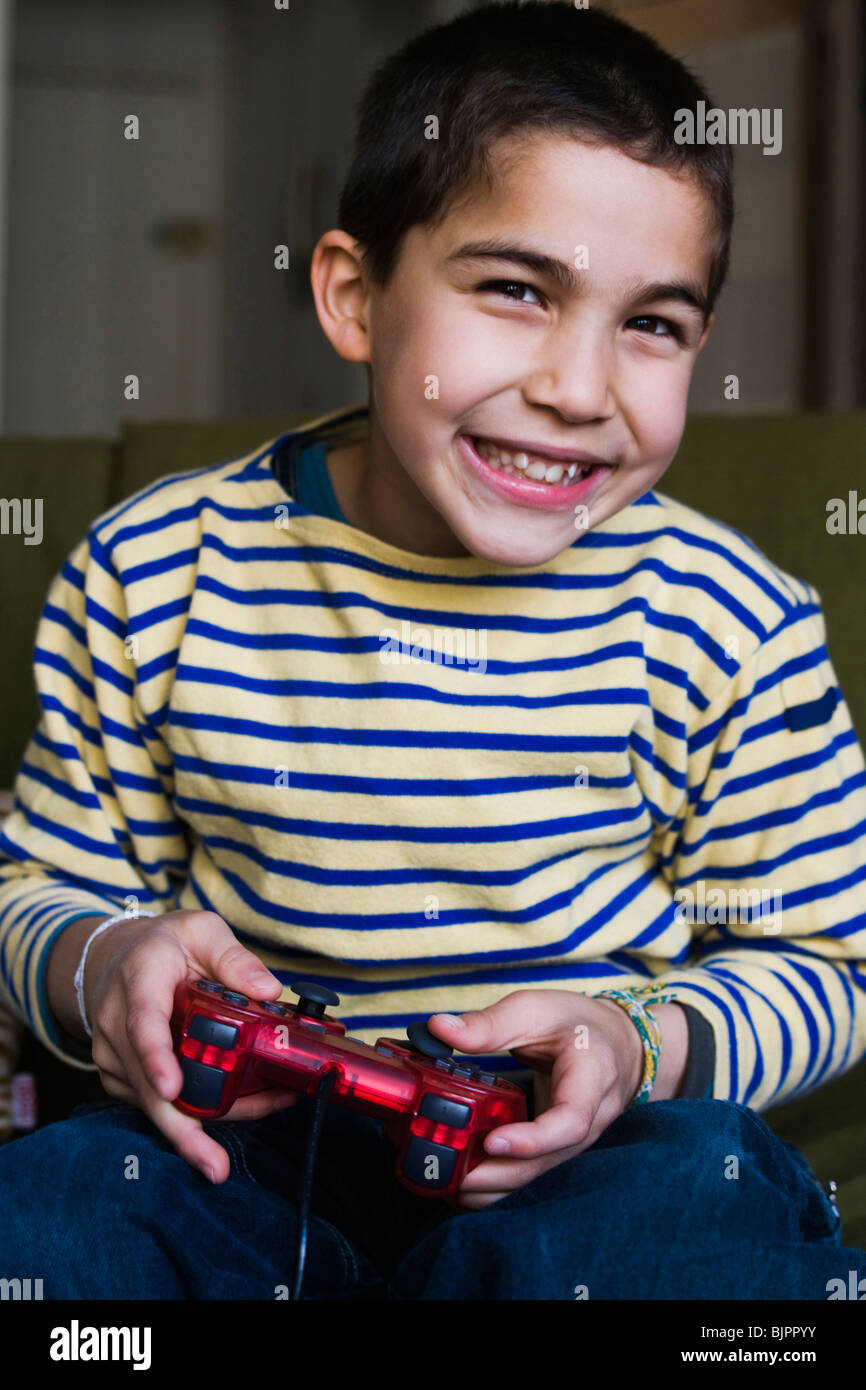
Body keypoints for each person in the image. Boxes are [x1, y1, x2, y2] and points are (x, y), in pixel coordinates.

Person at [0, 2, 863, 1300]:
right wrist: (103, 960)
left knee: (687, 1200)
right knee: (56, 1207)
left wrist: (636, 1044)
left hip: (577, 1160)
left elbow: (829, 962)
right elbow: (39, 889)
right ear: (353, 294)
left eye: (652, 325)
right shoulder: (154, 569)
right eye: (516, 290)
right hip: (235, 1153)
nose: (580, 387)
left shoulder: (730, 619)